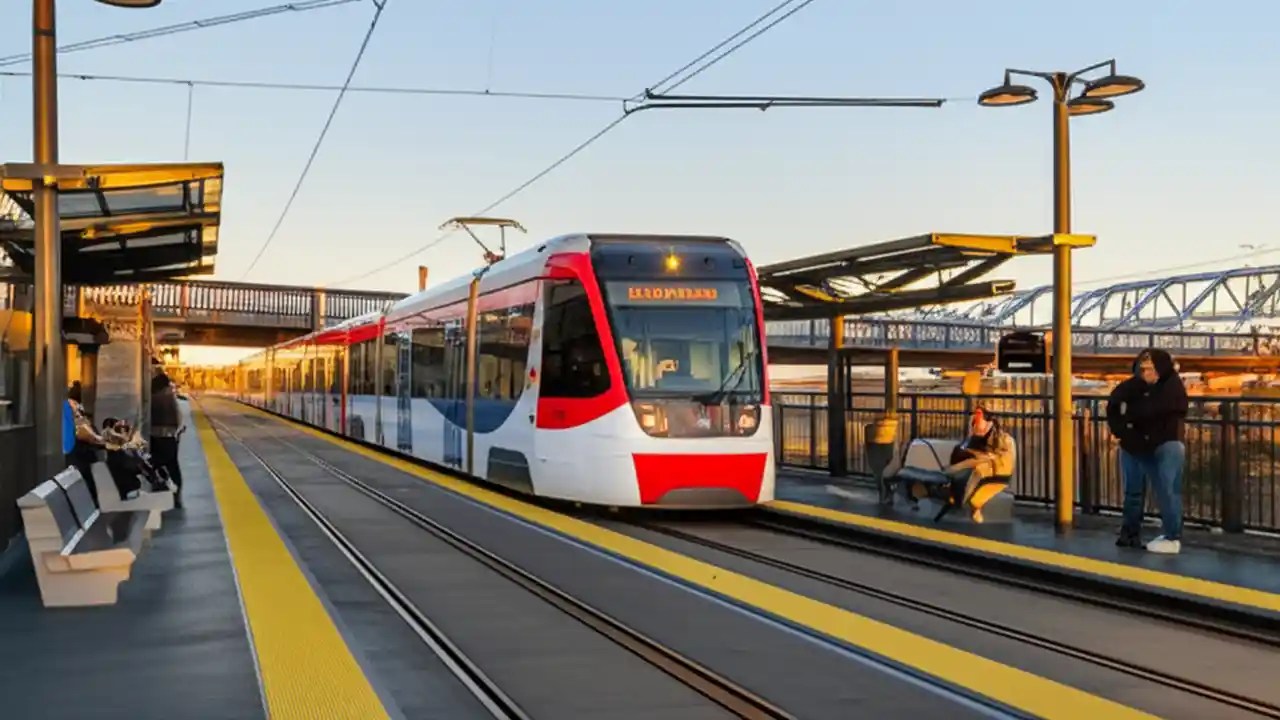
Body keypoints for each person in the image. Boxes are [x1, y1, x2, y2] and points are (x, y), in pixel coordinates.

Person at [1106, 349, 1188, 554]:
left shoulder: (1171, 387)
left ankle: (1172, 536)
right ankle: (1130, 533)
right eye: (1142, 369)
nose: (1146, 373)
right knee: (1133, 491)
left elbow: (1162, 411)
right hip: (1134, 445)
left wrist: (1135, 423)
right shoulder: (1131, 386)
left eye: (1150, 369)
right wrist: (1123, 432)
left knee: (1167, 490)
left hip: (1165, 444)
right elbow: (1113, 406)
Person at [150, 366, 185, 508]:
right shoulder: (170, 396)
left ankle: (161, 489)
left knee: (154, 465)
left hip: (155, 437)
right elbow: (179, 418)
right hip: (170, 438)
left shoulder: (153, 397)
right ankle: (176, 494)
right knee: (173, 467)